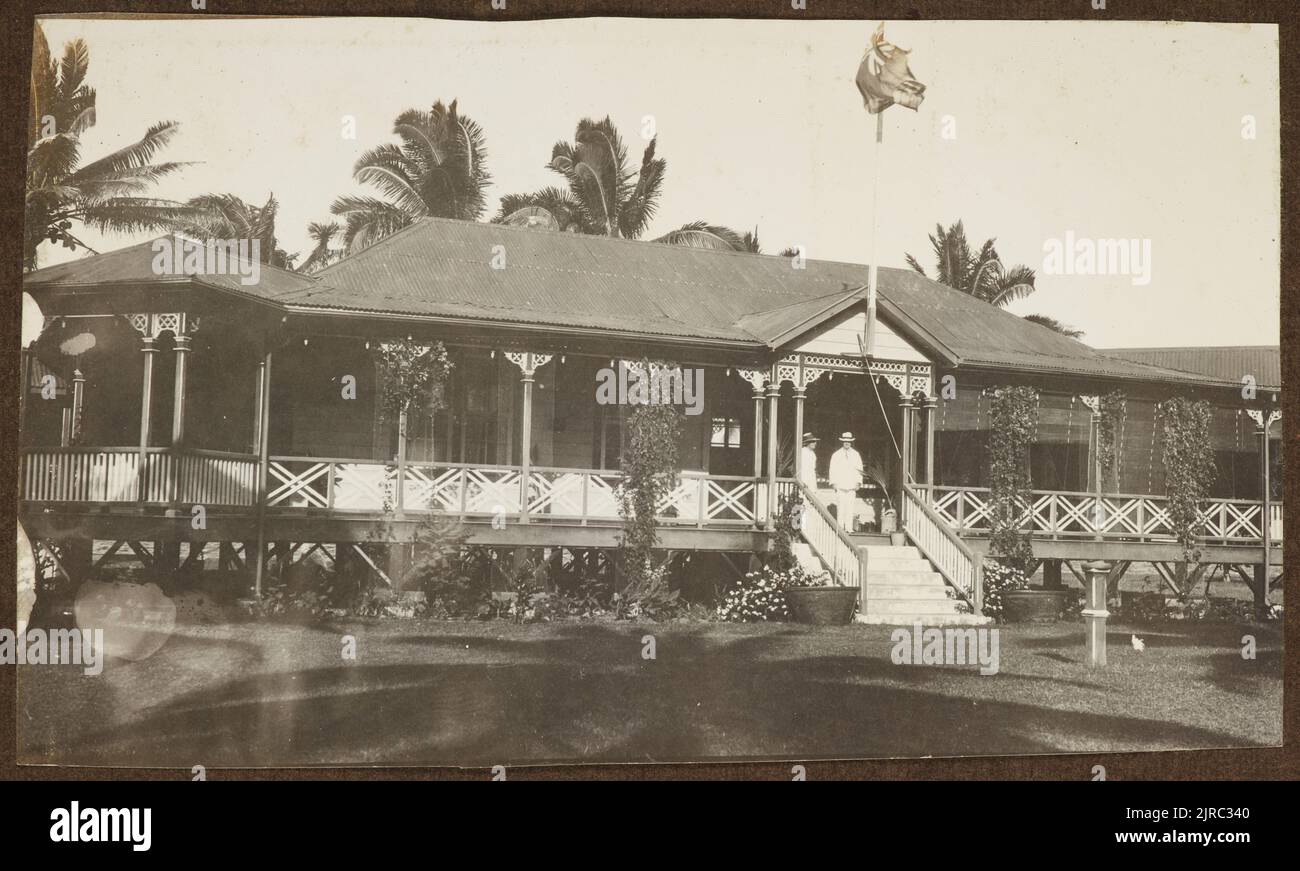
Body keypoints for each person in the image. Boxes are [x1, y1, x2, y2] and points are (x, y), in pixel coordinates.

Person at [828, 431, 864, 531]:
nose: (846, 443)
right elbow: (832, 469)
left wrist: (858, 482)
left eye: (848, 441)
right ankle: (840, 528)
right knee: (841, 508)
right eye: (844, 441)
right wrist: (833, 482)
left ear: (851, 442)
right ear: (842, 442)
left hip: (852, 485)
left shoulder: (856, 455)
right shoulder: (836, 455)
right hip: (840, 485)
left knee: (850, 508)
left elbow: (860, 469)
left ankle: (849, 528)